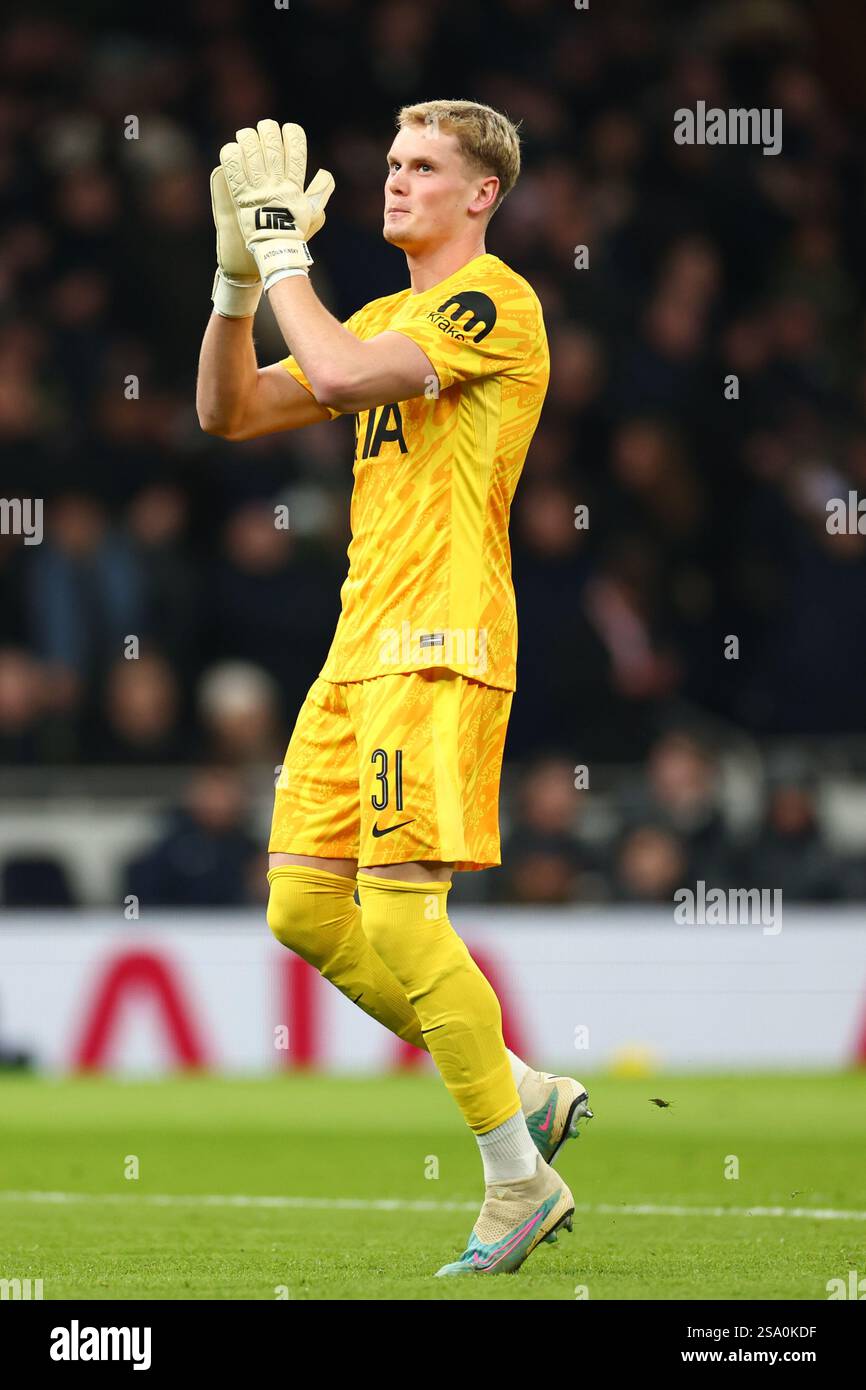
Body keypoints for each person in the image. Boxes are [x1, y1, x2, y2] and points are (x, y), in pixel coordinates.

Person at [196, 100, 592, 1276]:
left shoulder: (493, 301)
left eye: (424, 167)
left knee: (403, 919)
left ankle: (515, 1178)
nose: (396, 180)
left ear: (482, 194)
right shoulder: (368, 310)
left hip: (439, 642)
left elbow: (336, 366)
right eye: (393, 163)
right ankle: (515, 1082)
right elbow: (229, 411)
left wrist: (282, 257)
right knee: (303, 909)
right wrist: (233, 281)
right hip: (354, 647)